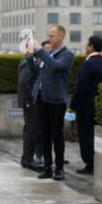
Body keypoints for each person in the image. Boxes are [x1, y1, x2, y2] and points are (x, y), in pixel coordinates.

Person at [26, 24, 73, 181]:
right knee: (44, 134)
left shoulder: (66, 55)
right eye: (49, 35)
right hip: (42, 99)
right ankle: (47, 167)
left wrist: (40, 51)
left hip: (56, 101)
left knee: (57, 135)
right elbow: (36, 73)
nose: (49, 38)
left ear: (61, 36)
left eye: (52, 35)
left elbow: (57, 66)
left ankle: (59, 168)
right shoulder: (49, 54)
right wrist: (30, 56)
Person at [70, 35, 102, 175]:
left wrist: (72, 106)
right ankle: (96, 161)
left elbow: (80, 87)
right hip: (97, 104)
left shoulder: (88, 63)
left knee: (85, 134)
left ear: (91, 46)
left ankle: (89, 162)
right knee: (94, 134)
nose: (86, 47)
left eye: (87, 44)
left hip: (85, 106)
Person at [16, 34, 44, 171]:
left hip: (29, 101)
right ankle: (27, 159)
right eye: (36, 46)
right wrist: (29, 100)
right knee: (31, 130)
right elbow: (23, 82)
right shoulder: (28, 61)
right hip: (30, 102)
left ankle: (27, 159)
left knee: (30, 129)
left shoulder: (31, 60)